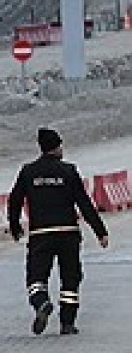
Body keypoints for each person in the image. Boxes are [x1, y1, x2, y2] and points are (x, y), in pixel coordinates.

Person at [8, 127, 109, 336]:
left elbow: (14, 200)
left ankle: (41, 302)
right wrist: (100, 231)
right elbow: (84, 203)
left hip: (40, 234)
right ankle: (67, 323)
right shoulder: (68, 171)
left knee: (36, 277)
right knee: (70, 278)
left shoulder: (28, 172)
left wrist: (15, 227)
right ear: (57, 148)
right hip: (68, 233)